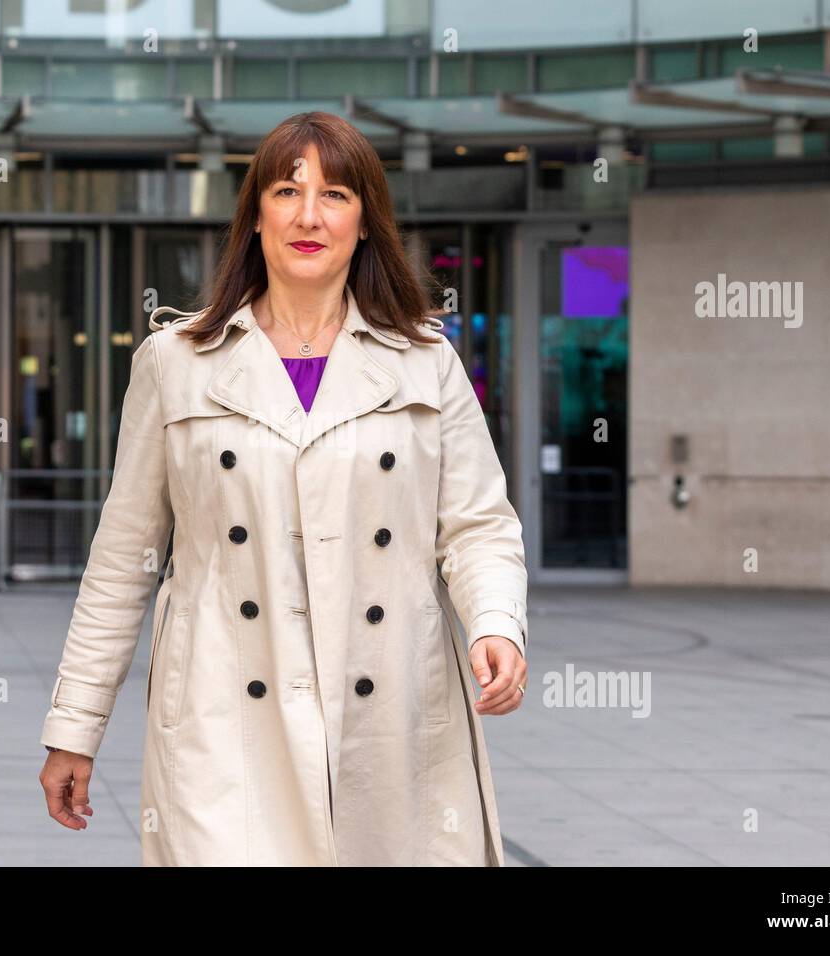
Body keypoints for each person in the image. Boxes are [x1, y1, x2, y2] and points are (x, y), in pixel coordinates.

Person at [39, 111, 529, 866]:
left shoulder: (425, 360)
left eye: (335, 194)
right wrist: (76, 723)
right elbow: (124, 557)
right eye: (286, 190)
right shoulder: (176, 360)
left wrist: (495, 621)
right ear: (256, 214)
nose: (308, 215)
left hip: (389, 714)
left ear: (366, 222)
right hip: (223, 721)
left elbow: (475, 525)